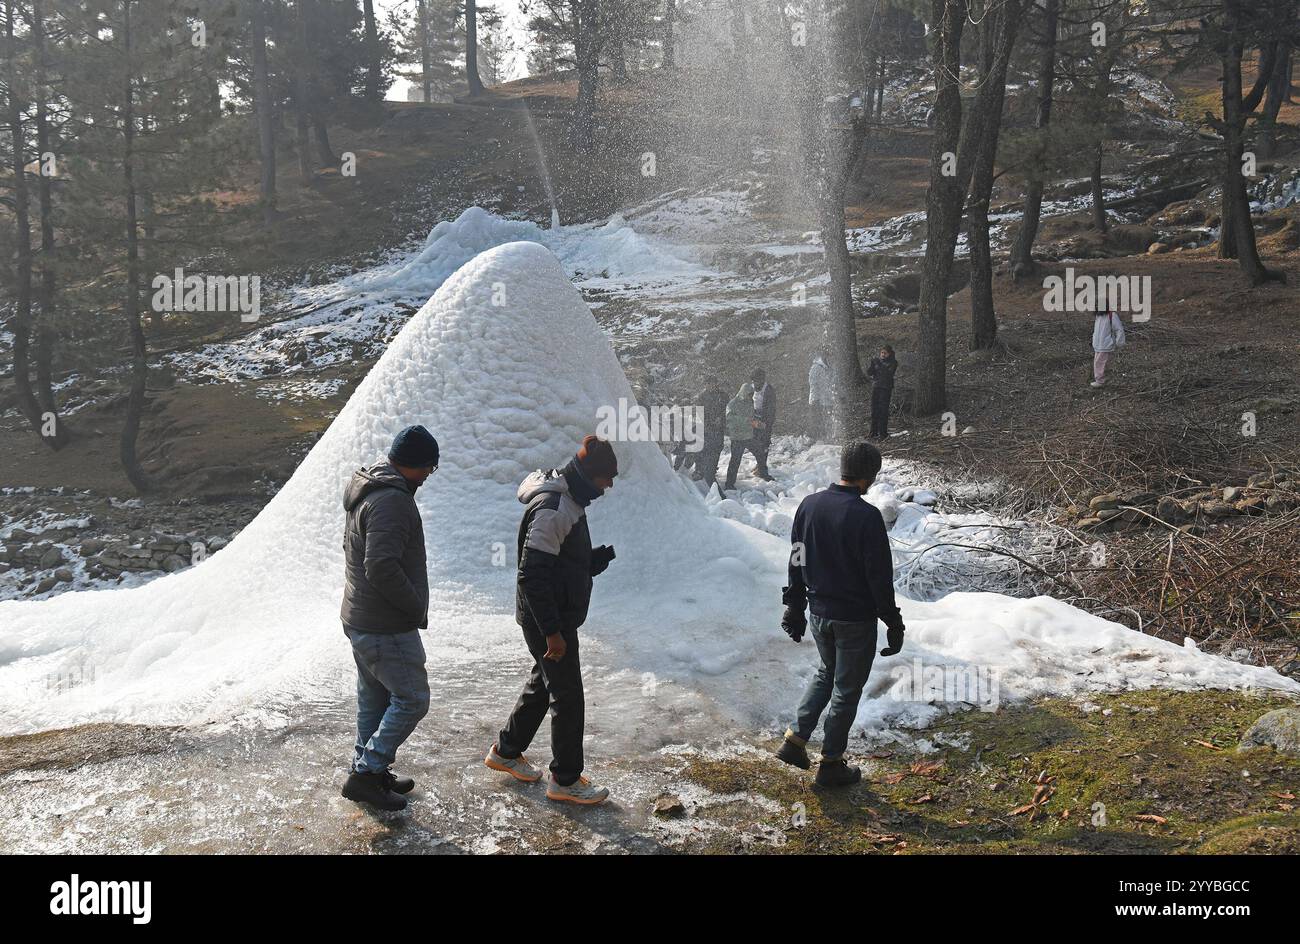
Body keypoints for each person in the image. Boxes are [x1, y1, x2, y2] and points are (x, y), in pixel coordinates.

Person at [484, 435, 618, 805]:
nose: (609, 486)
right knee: (568, 696)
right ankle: (565, 779)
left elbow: (556, 562)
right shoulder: (555, 507)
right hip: (548, 619)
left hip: (553, 616)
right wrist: (553, 634)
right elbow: (533, 575)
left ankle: (506, 751)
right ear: (590, 475)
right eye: (607, 478)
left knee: (543, 686)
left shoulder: (571, 500)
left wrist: (589, 561)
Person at [775, 441, 906, 788]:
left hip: (819, 613)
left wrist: (795, 603)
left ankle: (794, 741)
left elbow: (797, 557)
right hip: (854, 619)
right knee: (846, 690)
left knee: (826, 672)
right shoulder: (866, 517)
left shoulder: (809, 505)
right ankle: (831, 763)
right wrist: (892, 621)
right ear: (870, 475)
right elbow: (879, 576)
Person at [339, 424, 439, 812]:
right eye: (429, 469)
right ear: (415, 465)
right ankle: (366, 776)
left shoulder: (369, 490)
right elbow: (380, 566)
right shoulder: (393, 501)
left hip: (362, 617)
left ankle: (368, 770)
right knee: (413, 698)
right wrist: (413, 605)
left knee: (374, 700)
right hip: (385, 623)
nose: (429, 477)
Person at [675, 382, 727, 491]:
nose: (711, 386)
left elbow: (724, 409)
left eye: (713, 385)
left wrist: (718, 420)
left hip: (716, 429)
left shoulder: (721, 395)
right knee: (697, 450)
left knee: (710, 450)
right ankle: (696, 470)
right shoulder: (703, 396)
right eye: (708, 385)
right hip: (705, 427)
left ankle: (706, 470)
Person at [723, 381, 756, 491]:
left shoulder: (750, 402)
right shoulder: (733, 403)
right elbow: (729, 419)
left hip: (748, 435)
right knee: (735, 460)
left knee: (761, 453)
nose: (750, 396)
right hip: (737, 437)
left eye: (752, 394)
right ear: (744, 392)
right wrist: (745, 420)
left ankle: (763, 473)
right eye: (749, 394)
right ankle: (729, 484)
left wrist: (756, 422)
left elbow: (751, 415)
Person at [750, 367, 777, 480]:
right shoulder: (750, 388)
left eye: (757, 380)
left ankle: (761, 467)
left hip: (765, 420)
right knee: (754, 444)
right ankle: (759, 465)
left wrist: (767, 423)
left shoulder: (768, 389)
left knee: (764, 445)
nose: (756, 383)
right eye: (754, 380)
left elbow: (771, 409)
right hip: (752, 419)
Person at [866, 345, 897, 441]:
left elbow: (888, 374)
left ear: (889, 353)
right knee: (874, 410)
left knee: (883, 411)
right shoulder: (877, 361)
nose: (883, 355)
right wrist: (872, 365)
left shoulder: (893, 362)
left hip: (885, 388)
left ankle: (883, 433)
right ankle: (873, 432)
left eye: (885, 353)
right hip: (876, 387)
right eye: (882, 353)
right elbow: (870, 373)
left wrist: (878, 365)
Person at [1091, 309, 1125, 388]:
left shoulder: (1112, 315)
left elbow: (1119, 329)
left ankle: (1100, 381)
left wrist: (1119, 342)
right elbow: (1096, 330)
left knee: (1099, 363)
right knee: (1098, 362)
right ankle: (1101, 379)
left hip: (1106, 344)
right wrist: (1093, 340)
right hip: (1098, 344)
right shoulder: (1098, 316)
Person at [807, 353, 833, 442]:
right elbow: (813, 385)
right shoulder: (815, 368)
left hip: (828, 400)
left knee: (827, 419)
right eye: (828, 355)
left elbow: (834, 382)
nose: (829, 357)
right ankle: (816, 439)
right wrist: (815, 399)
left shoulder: (830, 367)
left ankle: (827, 438)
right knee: (817, 420)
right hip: (817, 400)